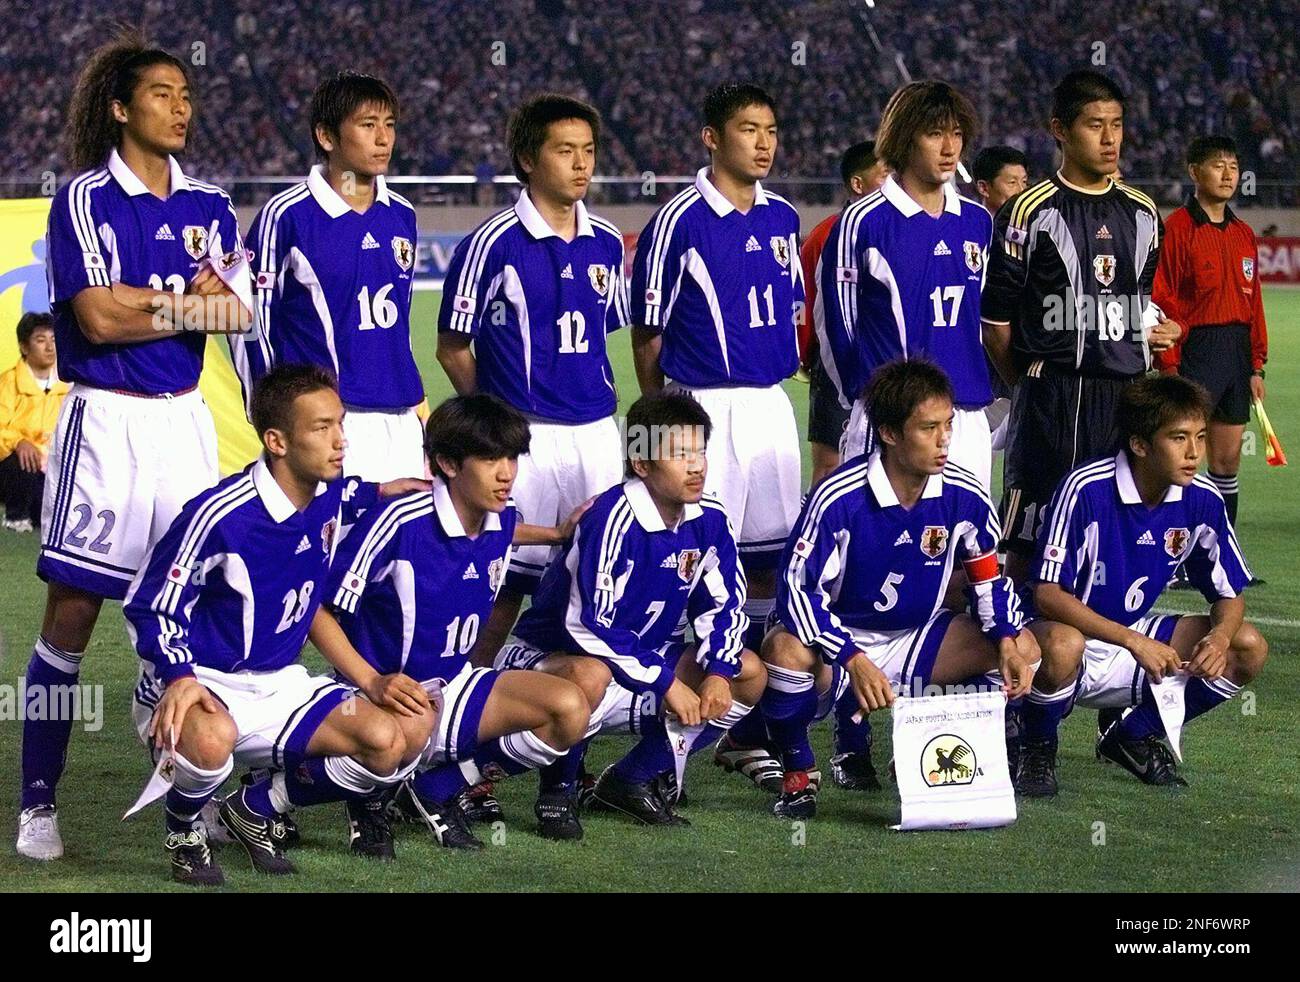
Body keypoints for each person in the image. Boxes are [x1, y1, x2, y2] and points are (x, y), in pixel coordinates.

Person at [18, 31, 253, 861]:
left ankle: (191, 794)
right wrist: (185, 304)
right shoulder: (83, 197)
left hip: (187, 423)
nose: (181, 107)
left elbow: (238, 313)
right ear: (121, 108)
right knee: (72, 618)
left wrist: (150, 304)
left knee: (194, 611)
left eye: (186, 95)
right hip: (106, 424)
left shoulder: (211, 205)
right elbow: (91, 318)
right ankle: (38, 803)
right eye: (162, 94)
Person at [123, 364, 433, 884]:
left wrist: (371, 680)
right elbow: (151, 603)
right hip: (203, 682)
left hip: (280, 685)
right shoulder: (219, 516)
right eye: (322, 428)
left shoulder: (328, 494)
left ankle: (254, 805)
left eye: (340, 424)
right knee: (211, 738)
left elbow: (351, 500)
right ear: (277, 441)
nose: (340, 441)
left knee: (389, 739)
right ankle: (183, 827)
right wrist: (179, 678)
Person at [766, 360, 1043, 818]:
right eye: (928, 428)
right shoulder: (838, 498)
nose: (944, 440)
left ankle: (922, 744)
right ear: (890, 434)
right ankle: (798, 769)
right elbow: (795, 591)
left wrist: (1007, 639)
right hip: (841, 644)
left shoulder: (965, 494)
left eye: (948, 425)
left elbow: (988, 580)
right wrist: (851, 657)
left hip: (916, 638)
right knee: (783, 652)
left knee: (1024, 649)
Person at [315, 393, 592, 850]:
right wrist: (370, 681)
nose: (506, 473)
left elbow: (508, 531)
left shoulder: (498, 520)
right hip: (379, 696)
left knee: (569, 707)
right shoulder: (399, 522)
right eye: (489, 459)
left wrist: (557, 534)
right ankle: (321, 798)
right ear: (446, 462)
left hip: (453, 685)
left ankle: (436, 789)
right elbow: (318, 609)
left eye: (511, 458)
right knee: (401, 731)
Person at [495, 392, 764, 829]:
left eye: (699, 451)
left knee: (747, 671)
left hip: (639, 665)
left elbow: (725, 603)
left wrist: (717, 668)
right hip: (548, 660)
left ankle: (631, 780)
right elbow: (589, 626)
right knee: (591, 675)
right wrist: (666, 683)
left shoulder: (710, 516)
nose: (696, 465)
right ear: (641, 465)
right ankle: (557, 791)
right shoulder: (610, 518)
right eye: (680, 454)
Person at [437, 94, 628, 663]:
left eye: (588, 151)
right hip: (526, 439)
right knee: (504, 585)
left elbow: (603, 333)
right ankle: (466, 708)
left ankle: (561, 713)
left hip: (596, 431)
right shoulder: (490, 243)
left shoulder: (608, 242)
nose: (581, 165)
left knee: (594, 575)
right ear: (527, 159)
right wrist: (494, 423)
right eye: (565, 151)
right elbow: (452, 346)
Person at [629, 80, 802, 702]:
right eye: (748, 130)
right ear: (712, 138)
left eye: (772, 131)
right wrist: (664, 419)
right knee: (702, 553)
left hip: (771, 405)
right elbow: (647, 333)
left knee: (766, 556)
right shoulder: (677, 221)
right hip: (704, 405)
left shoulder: (783, 216)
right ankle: (676, 688)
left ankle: (745, 696)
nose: (763, 144)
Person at [1016, 375, 1268, 795]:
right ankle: (1036, 745)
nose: (1194, 453)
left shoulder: (1202, 499)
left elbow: (1229, 594)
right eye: (1179, 438)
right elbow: (1046, 594)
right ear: (1139, 444)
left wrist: (1219, 639)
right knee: (1063, 646)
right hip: (1055, 639)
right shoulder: (1086, 490)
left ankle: (1130, 733)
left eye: (1201, 437)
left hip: (1133, 637)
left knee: (1248, 645)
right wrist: (1134, 642)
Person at [981, 69, 1182, 584]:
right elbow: (995, 321)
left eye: (1116, 124)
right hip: (1053, 396)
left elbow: (1136, 301)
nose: (1110, 137)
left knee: (1118, 529)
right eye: (1095, 124)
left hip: (1127, 396)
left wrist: (1157, 329)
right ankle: (1022, 649)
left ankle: (1106, 648)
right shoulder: (1029, 211)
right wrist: (1026, 383)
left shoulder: (1143, 212)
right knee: (1032, 536)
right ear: (1060, 130)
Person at [236, 71, 427, 483]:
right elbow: (250, 325)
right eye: (367, 125)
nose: (383, 139)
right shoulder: (284, 217)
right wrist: (271, 413)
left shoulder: (402, 215)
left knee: (403, 547)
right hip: (326, 424)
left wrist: (418, 408)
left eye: (389, 125)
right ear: (326, 136)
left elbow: (400, 326)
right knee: (329, 546)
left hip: (402, 420)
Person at [822, 81, 997, 490]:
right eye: (934, 134)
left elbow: (984, 320)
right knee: (886, 548)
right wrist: (866, 401)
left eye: (956, 134)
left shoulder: (977, 222)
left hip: (967, 417)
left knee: (965, 548)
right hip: (894, 420)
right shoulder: (862, 222)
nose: (950, 147)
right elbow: (837, 326)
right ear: (904, 139)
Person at [1152, 136, 1268, 563]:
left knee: (1227, 462)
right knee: (1185, 459)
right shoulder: (1179, 228)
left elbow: (1253, 301)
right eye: (1218, 166)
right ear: (1194, 172)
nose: (1228, 174)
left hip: (1236, 354)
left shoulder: (1243, 233)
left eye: (1234, 167)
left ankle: (1221, 556)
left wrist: (1257, 365)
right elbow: (1164, 297)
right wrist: (1169, 365)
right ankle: (1175, 555)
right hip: (1195, 350)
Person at [801, 141, 889, 487]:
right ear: (858, 184)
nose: (895, 182)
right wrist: (809, 355)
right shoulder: (827, 234)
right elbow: (808, 299)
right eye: (885, 175)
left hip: (891, 364)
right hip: (838, 362)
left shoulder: (902, 229)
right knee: (830, 463)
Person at [0, 313, 68, 531]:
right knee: (22, 460)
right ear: (24, 347)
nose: (49, 347)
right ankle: (15, 516)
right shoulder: (8, 383)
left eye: (54, 339)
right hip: (15, 465)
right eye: (40, 340)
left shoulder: (69, 384)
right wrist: (19, 442)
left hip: (52, 465)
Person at [973, 145, 1029, 217]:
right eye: (1012, 182)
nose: (1022, 190)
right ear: (983, 188)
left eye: (1024, 181)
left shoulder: (1034, 225)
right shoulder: (968, 225)